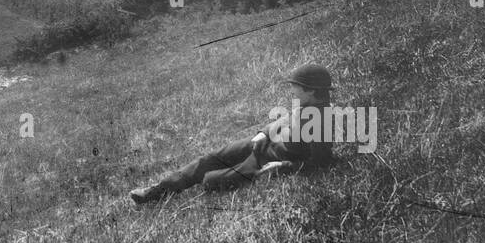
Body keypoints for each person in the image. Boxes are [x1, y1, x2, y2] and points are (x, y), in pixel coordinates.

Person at [129, 63, 337, 204]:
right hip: (261, 144)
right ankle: (155, 191)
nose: (291, 89)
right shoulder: (306, 103)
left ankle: (176, 191)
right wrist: (263, 133)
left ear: (310, 90)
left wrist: (283, 167)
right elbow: (286, 119)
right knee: (208, 159)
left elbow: (322, 162)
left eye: (295, 86)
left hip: (266, 161)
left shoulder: (322, 121)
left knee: (210, 181)